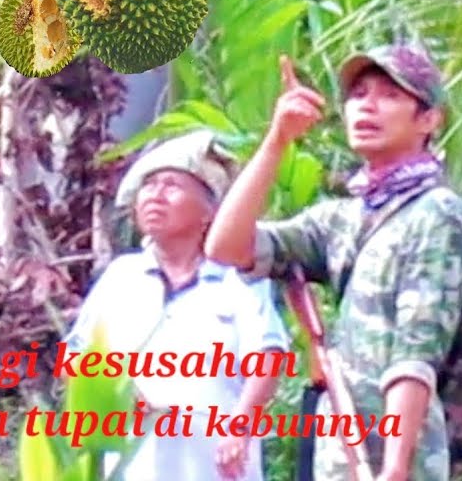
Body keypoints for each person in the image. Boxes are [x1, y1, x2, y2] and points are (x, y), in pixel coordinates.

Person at [205, 45, 462, 481]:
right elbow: (225, 246)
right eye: (358, 94)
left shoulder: (436, 212)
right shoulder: (344, 217)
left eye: (390, 94)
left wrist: (394, 468)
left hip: (402, 459)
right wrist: (277, 141)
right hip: (342, 452)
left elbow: (416, 352)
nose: (367, 105)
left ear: (429, 120)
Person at [62, 130, 291, 481]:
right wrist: (116, 391)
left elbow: (268, 354)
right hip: (130, 465)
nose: (155, 197)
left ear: (208, 212)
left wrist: (240, 425)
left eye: (171, 186)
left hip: (213, 465)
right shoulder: (121, 277)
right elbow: (75, 355)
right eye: (148, 187)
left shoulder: (238, 278)